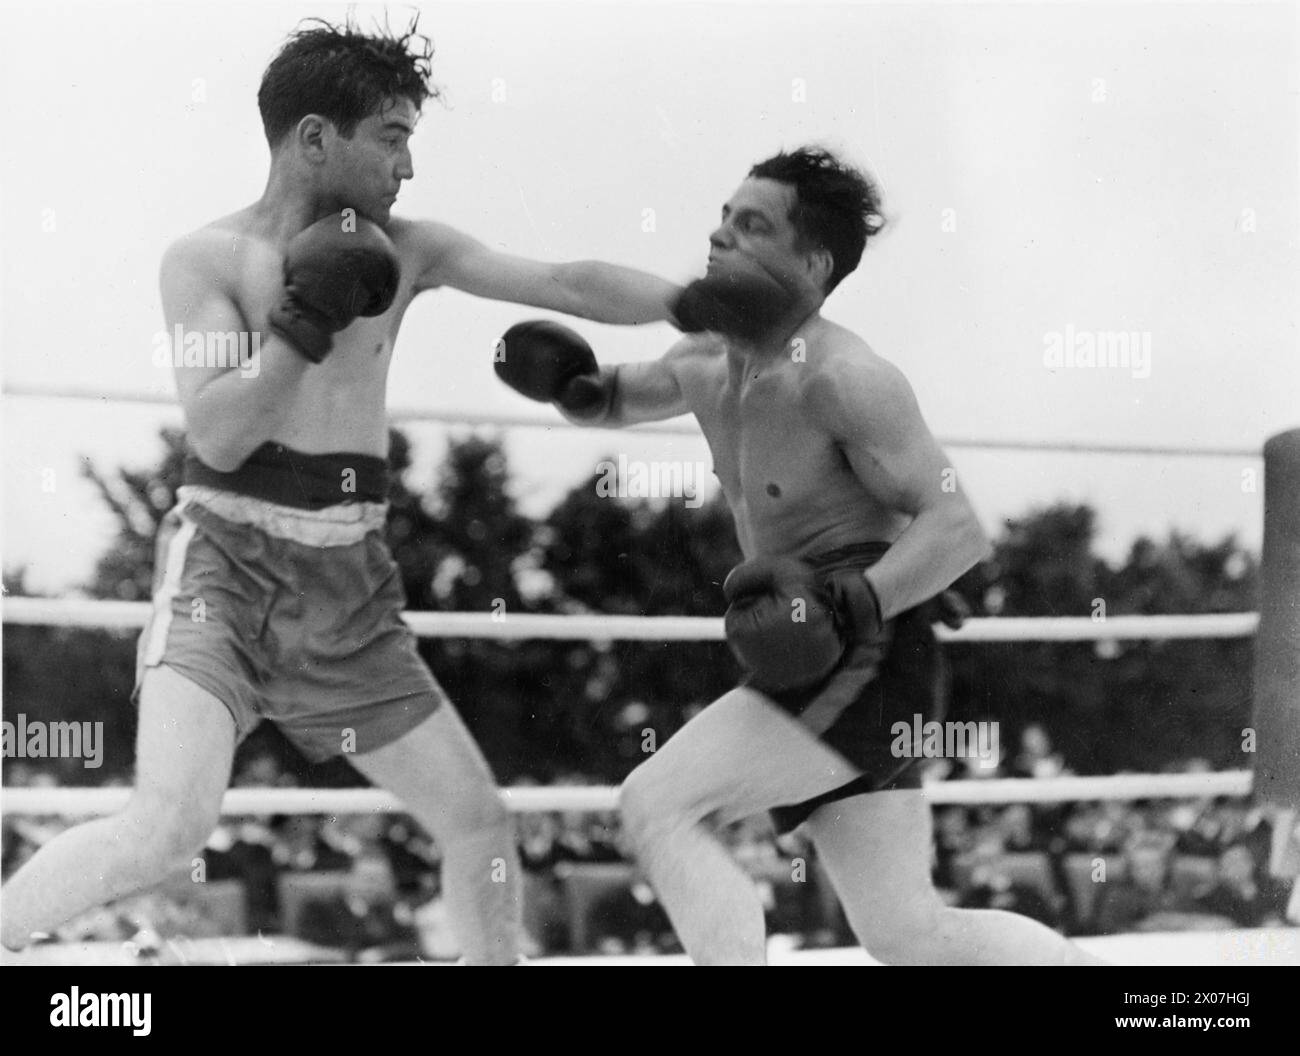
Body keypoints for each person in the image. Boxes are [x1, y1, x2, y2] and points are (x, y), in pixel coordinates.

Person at [0, 17, 681, 964]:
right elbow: (218, 430)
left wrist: (693, 303)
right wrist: (303, 323)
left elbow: (562, 281)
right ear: (317, 137)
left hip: (349, 581)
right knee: (166, 826)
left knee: (479, 825)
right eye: (393, 137)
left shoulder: (413, 249)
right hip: (225, 570)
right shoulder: (205, 260)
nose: (407, 168)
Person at [496, 146, 1105, 964]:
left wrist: (860, 599)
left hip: (866, 647)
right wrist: (565, 384)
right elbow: (610, 396)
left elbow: (957, 527)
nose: (719, 238)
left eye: (751, 227)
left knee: (657, 804)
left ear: (812, 262)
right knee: (907, 934)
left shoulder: (846, 378)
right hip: (813, 645)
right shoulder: (706, 358)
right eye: (723, 217)